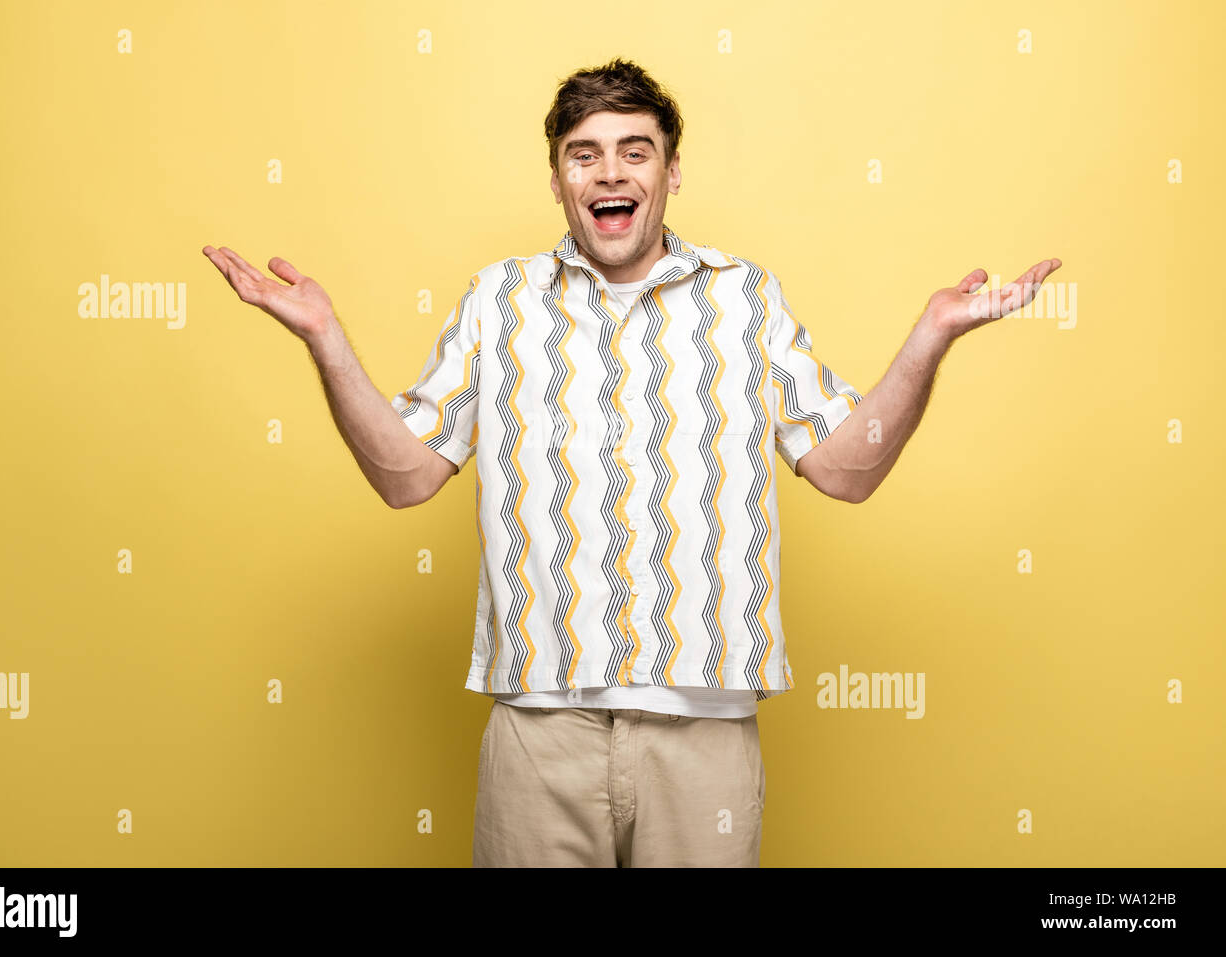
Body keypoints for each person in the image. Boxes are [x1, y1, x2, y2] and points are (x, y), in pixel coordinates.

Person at [203, 58, 1061, 867]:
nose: (610, 173)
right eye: (585, 155)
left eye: (634, 151)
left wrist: (929, 340)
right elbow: (407, 476)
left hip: (705, 735)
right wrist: (325, 340)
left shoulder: (745, 299)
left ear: (671, 171)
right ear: (558, 180)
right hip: (538, 732)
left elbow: (848, 470)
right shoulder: (498, 300)